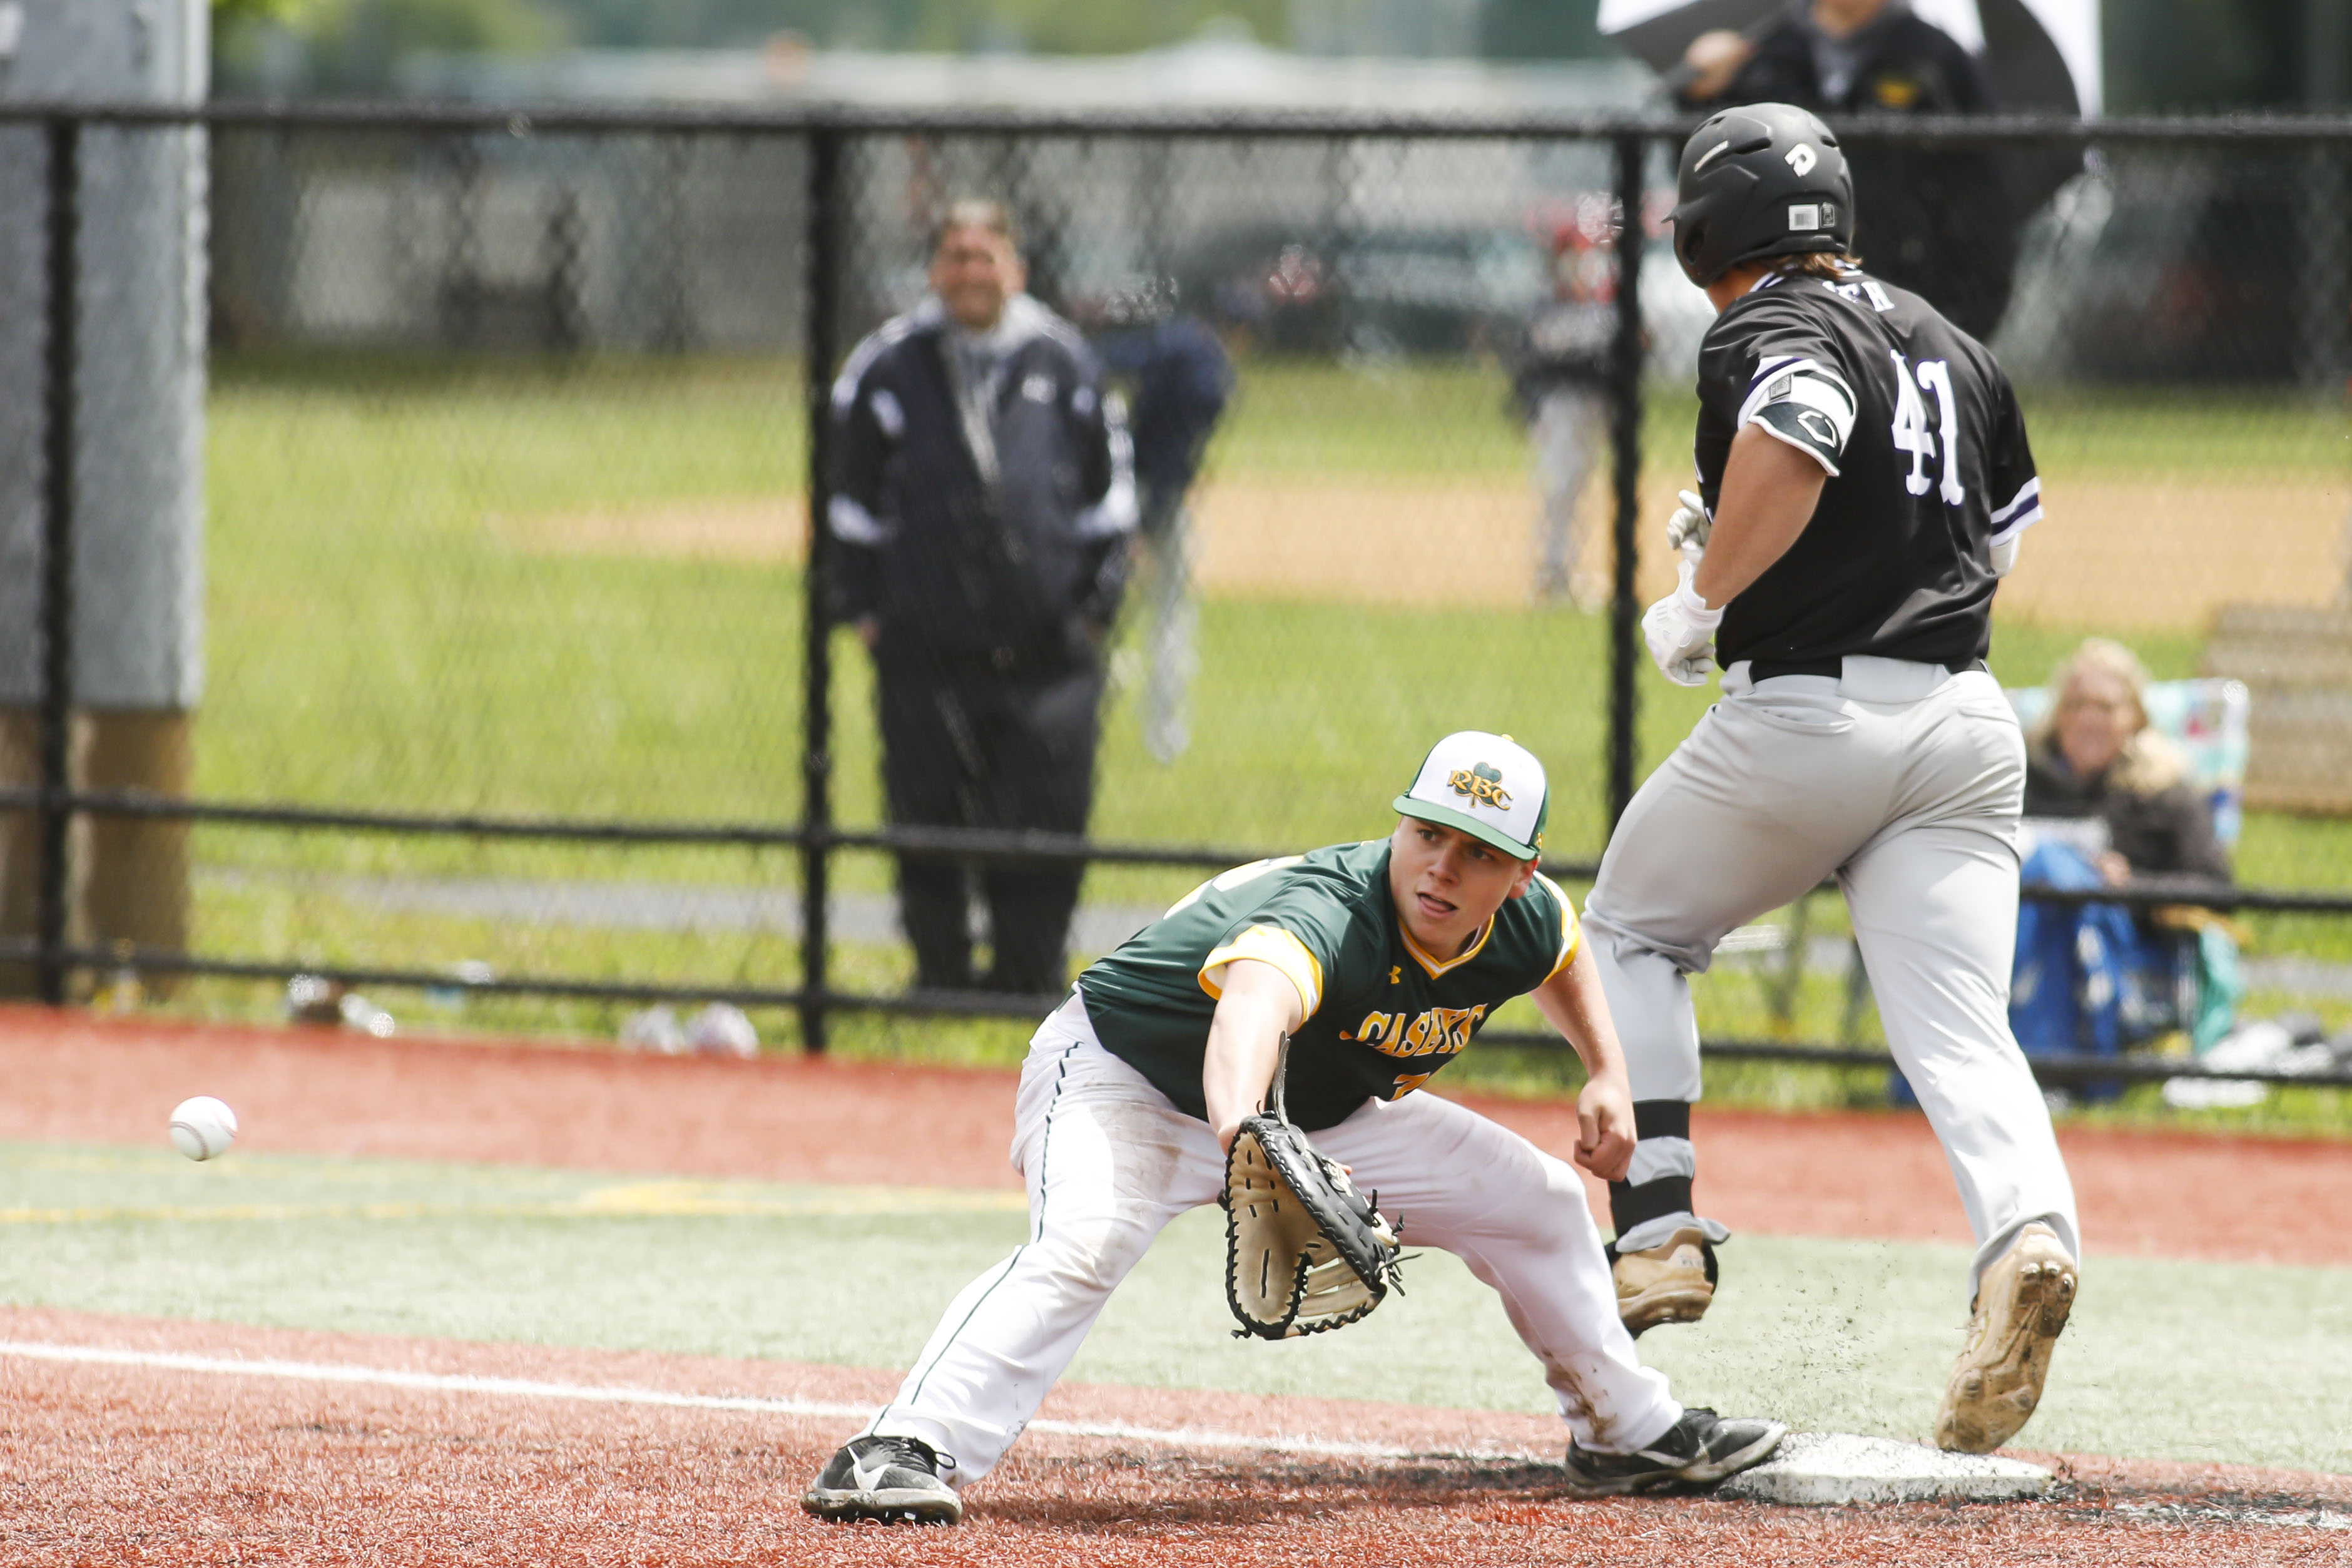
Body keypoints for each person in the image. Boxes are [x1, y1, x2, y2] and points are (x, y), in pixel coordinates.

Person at [803, 731, 1786, 1525]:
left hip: (1318, 1115)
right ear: (1399, 825)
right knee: (1084, 1242)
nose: (1442, 868)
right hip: (1124, 1078)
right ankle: (896, 1448)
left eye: (1478, 853)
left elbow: (1564, 948)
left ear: (1517, 875)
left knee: (1534, 1200)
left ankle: (1628, 1431)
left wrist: (1607, 1070)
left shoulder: (1523, 919)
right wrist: (1245, 1139)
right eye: (1427, 834)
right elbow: (1252, 1011)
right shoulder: (1331, 910)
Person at [1579, 103, 2079, 1456]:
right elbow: (1994, 537)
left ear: (1711, 227)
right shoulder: (1951, 336)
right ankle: (2025, 1234)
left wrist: (1702, 591)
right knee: (1960, 1029)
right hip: (1967, 722)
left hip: (1813, 715)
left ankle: (1659, 1225)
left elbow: (1797, 432)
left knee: (1629, 927)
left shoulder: (1762, 326)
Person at [828, 200, 1137, 995]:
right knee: (927, 816)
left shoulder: (1065, 363)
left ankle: (1030, 980)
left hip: (1048, 655)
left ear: (1017, 268)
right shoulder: (888, 367)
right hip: (925, 650)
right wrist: (865, 608)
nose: (971, 272)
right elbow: (848, 503)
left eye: (985, 255)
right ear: (934, 272)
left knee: (1043, 821)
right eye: (955, 257)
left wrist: (1095, 607)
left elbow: (1113, 504)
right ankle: (939, 978)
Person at [1674, 0, 2017, 340]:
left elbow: (1985, 201)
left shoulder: (1940, 60)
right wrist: (1697, 96)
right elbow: (1702, 178)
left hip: (1904, 299)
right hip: (1778, 294)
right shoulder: (1760, 53)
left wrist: (1960, 324)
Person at [2009, 639, 2240, 1071]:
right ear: (2058, 716)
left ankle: (2045, 1064)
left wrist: (2129, 885)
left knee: (2058, 874)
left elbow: (2218, 888)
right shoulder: (2023, 784)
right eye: (2076, 704)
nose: (2088, 718)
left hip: (2127, 947)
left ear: (2135, 716)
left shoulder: (2166, 794)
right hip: (2015, 931)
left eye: (2105, 706)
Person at [1091, 297, 1233, 763]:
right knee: (1169, 618)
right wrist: (1147, 526)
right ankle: (1164, 736)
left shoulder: (1172, 339)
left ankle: (1090, 712)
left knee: (1099, 613)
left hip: (1115, 487)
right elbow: (1173, 455)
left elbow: (1107, 360)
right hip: (1156, 503)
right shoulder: (1207, 372)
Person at [1509, 201, 1619, 608]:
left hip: (1593, 404)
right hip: (1558, 406)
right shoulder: (1549, 302)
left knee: (1577, 488)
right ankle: (1552, 573)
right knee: (1558, 486)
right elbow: (1548, 343)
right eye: (1571, 253)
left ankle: (1565, 573)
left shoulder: (1597, 302)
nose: (1580, 262)